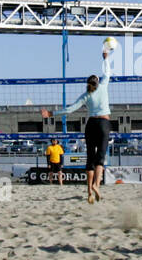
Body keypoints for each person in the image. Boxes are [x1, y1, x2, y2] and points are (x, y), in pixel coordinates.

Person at [48, 50, 112, 203]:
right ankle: (97, 185)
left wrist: (52, 113)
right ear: (97, 82)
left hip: (90, 124)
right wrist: (105, 58)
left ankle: (89, 190)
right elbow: (108, 72)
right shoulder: (103, 86)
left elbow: (70, 109)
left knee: (90, 158)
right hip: (103, 123)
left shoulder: (86, 95)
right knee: (100, 158)